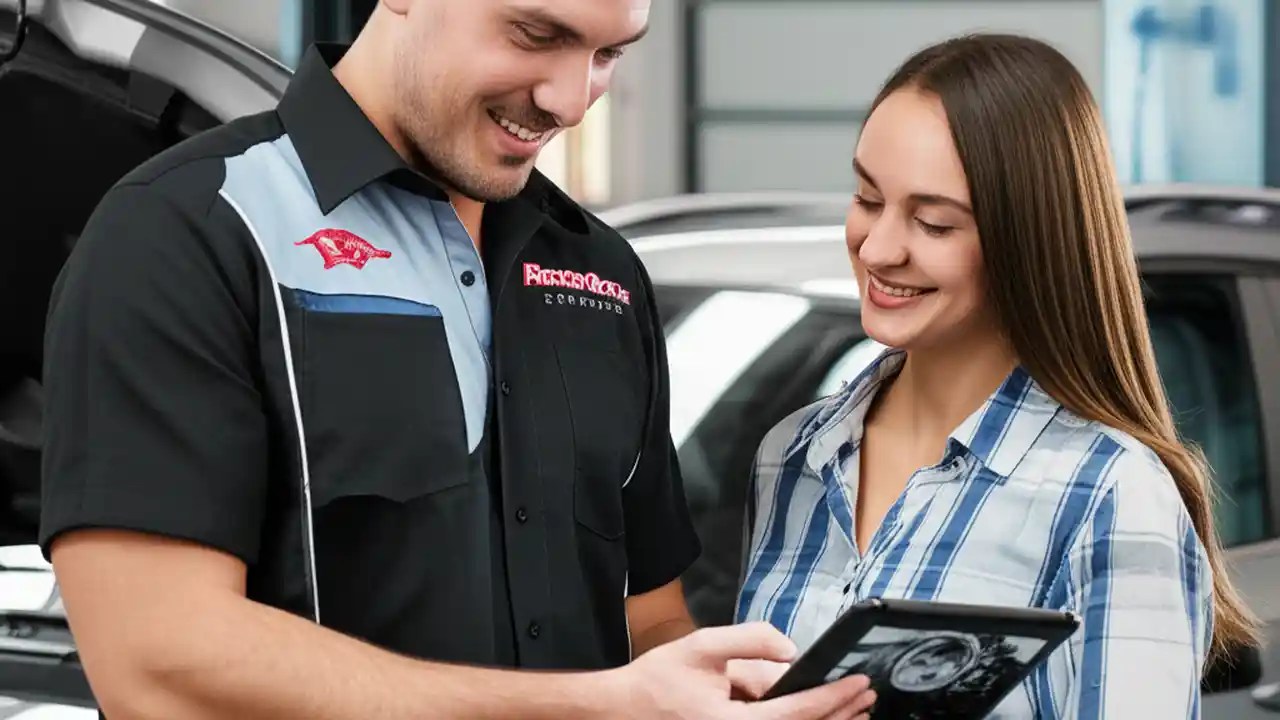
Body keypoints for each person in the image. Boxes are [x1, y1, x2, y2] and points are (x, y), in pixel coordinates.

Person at [38, 1, 878, 718]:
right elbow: (158, 667)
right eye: (534, 34)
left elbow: (647, 624)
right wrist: (598, 707)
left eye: (608, 54)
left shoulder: (605, 276)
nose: (572, 100)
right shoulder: (187, 232)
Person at [734, 33, 1260, 719]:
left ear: (1025, 240)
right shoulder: (791, 459)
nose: (879, 247)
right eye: (867, 198)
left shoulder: (1110, 495)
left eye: (933, 223)